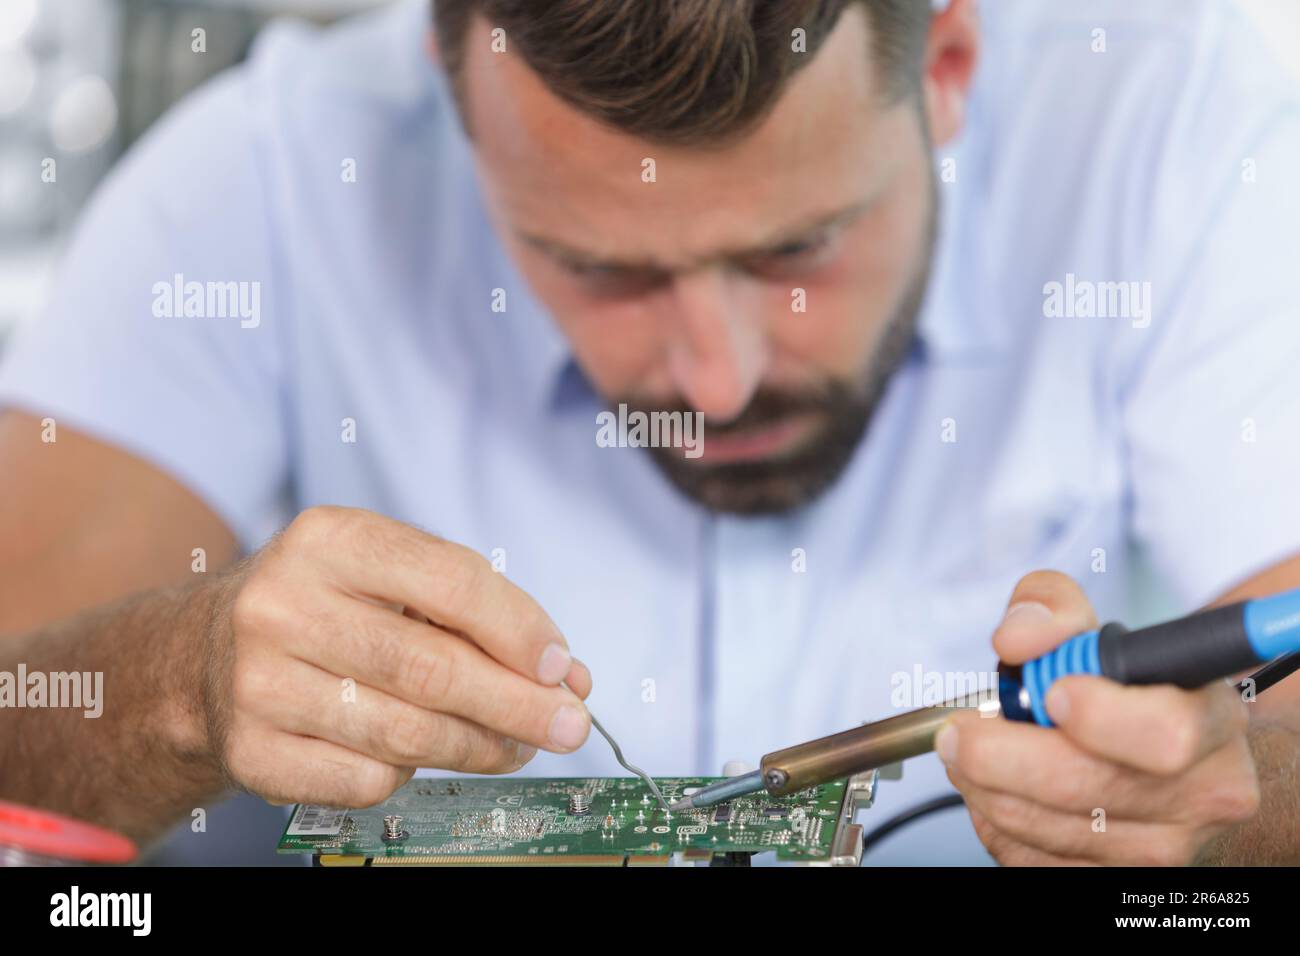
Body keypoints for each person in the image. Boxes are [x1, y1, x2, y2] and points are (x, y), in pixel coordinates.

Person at [1, 0, 1297, 865]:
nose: (716, 381)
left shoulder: (1178, 128)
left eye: (797, 249)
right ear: (454, 109)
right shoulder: (270, 175)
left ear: (947, 68)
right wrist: (184, 680)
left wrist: (1229, 802)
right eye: (598, 269)